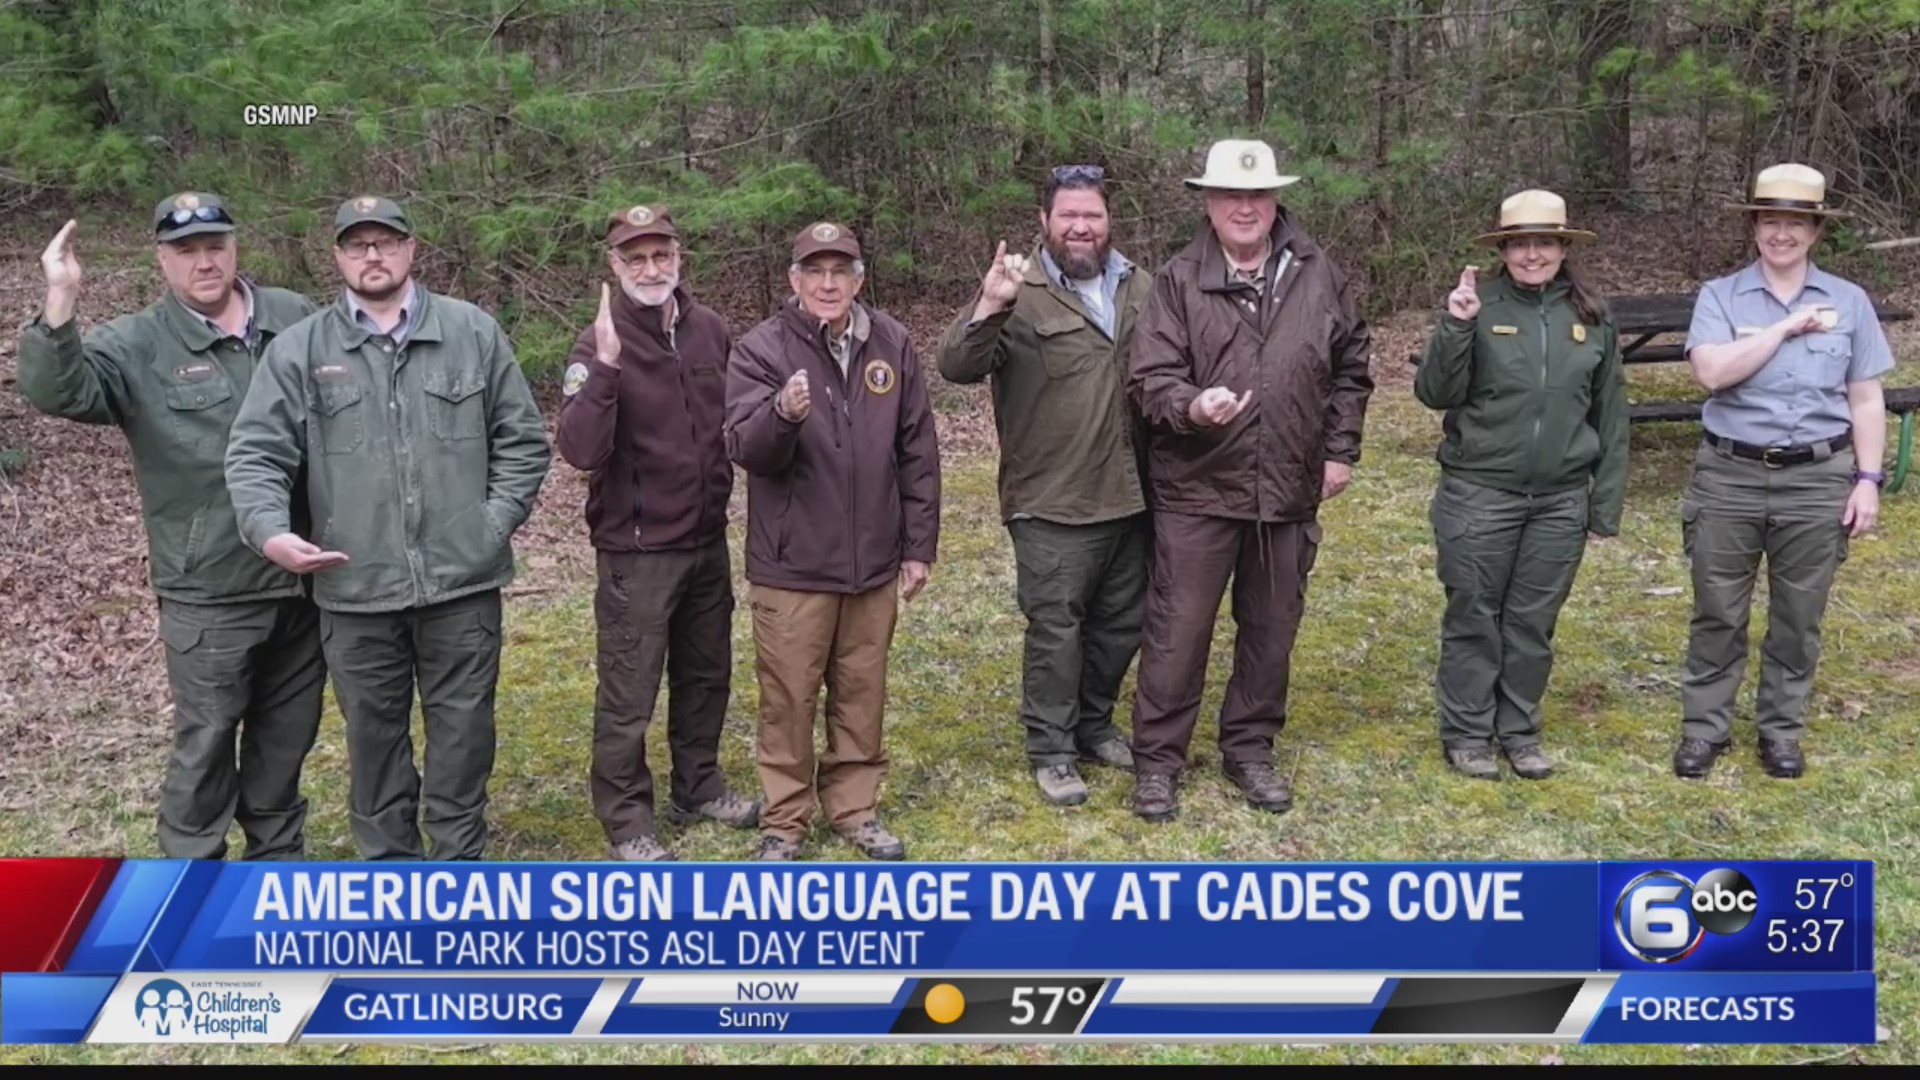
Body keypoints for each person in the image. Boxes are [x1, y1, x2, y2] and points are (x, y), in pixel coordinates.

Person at [226, 195, 552, 859]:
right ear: (339, 256)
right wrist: (270, 532)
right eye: (356, 244)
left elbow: (523, 440)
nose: (372, 255)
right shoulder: (301, 349)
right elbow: (255, 453)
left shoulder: (472, 332)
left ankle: (458, 865)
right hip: (354, 589)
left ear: (411, 249)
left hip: (462, 586)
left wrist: (490, 526)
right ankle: (391, 871)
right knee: (373, 740)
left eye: (385, 241)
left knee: (463, 734)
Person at [17, 193, 324, 860]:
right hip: (209, 588)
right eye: (186, 251)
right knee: (208, 744)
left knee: (286, 742)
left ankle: (273, 880)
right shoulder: (135, 345)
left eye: (215, 245)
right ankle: (191, 888)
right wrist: (60, 298)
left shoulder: (297, 319)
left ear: (235, 247)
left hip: (307, 582)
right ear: (162, 259)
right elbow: (56, 392)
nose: (204, 261)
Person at [1127, 139, 1374, 821]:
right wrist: (1191, 406)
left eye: (1257, 195)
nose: (1244, 207)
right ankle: (1157, 762)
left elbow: (1351, 365)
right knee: (1178, 633)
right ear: (1207, 202)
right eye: (1231, 196)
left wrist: (1340, 449)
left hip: (1288, 488)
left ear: (1275, 201)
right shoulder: (1177, 280)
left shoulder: (1319, 272)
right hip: (1198, 489)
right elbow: (1149, 379)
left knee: (1271, 631)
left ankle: (1250, 747)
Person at [726, 222, 941, 861]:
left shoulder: (892, 344)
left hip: (873, 562)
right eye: (814, 272)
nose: (827, 283)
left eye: (839, 271)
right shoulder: (762, 350)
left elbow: (917, 450)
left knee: (861, 689)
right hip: (793, 566)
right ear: (794, 281)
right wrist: (783, 416)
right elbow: (744, 447)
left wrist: (918, 543)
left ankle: (854, 807)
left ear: (859, 278)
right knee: (788, 696)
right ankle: (784, 822)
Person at [936, 164, 1149, 807]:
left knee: (1121, 626)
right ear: (1045, 222)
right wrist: (989, 307)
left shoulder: (1143, 287)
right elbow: (955, 367)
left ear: (1109, 221)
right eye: (1068, 216)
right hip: (1051, 499)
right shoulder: (1018, 289)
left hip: (1134, 495)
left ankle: (1093, 724)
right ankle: (1052, 749)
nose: (1081, 227)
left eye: (1093, 215)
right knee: (1057, 630)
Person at [555, 205, 761, 861]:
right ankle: (626, 817)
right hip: (636, 552)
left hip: (706, 538)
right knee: (629, 689)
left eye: (661, 255)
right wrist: (609, 369)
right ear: (615, 267)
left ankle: (698, 786)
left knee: (706, 676)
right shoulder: (598, 343)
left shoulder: (709, 331)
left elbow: (733, 423)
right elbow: (580, 450)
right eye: (635, 257)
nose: (651, 268)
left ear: (679, 258)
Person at [1675, 163, 1893, 779]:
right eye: (1771, 221)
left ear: (1816, 232)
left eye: (1795, 223)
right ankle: (1704, 729)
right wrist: (1784, 328)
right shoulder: (1720, 296)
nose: (1782, 234)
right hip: (1729, 475)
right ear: (1754, 228)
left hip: (1818, 480)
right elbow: (1712, 373)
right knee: (1718, 609)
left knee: (1799, 617)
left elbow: (1866, 397)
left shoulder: (1849, 302)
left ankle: (1780, 731)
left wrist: (1869, 480)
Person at [1414, 189, 1628, 781]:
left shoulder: (1591, 316)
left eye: (1545, 242)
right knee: (1475, 615)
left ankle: (1519, 730)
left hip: (1560, 500)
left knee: (1533, 621)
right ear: (1502, 250)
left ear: (1563, 247)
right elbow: (1434, 393)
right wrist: (1455, 326)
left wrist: (1603, 505)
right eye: (1519, 243)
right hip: (1479, 494)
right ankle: (1467, 732)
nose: (1532, 254)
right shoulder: (1476, 304)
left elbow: (1610, 416)